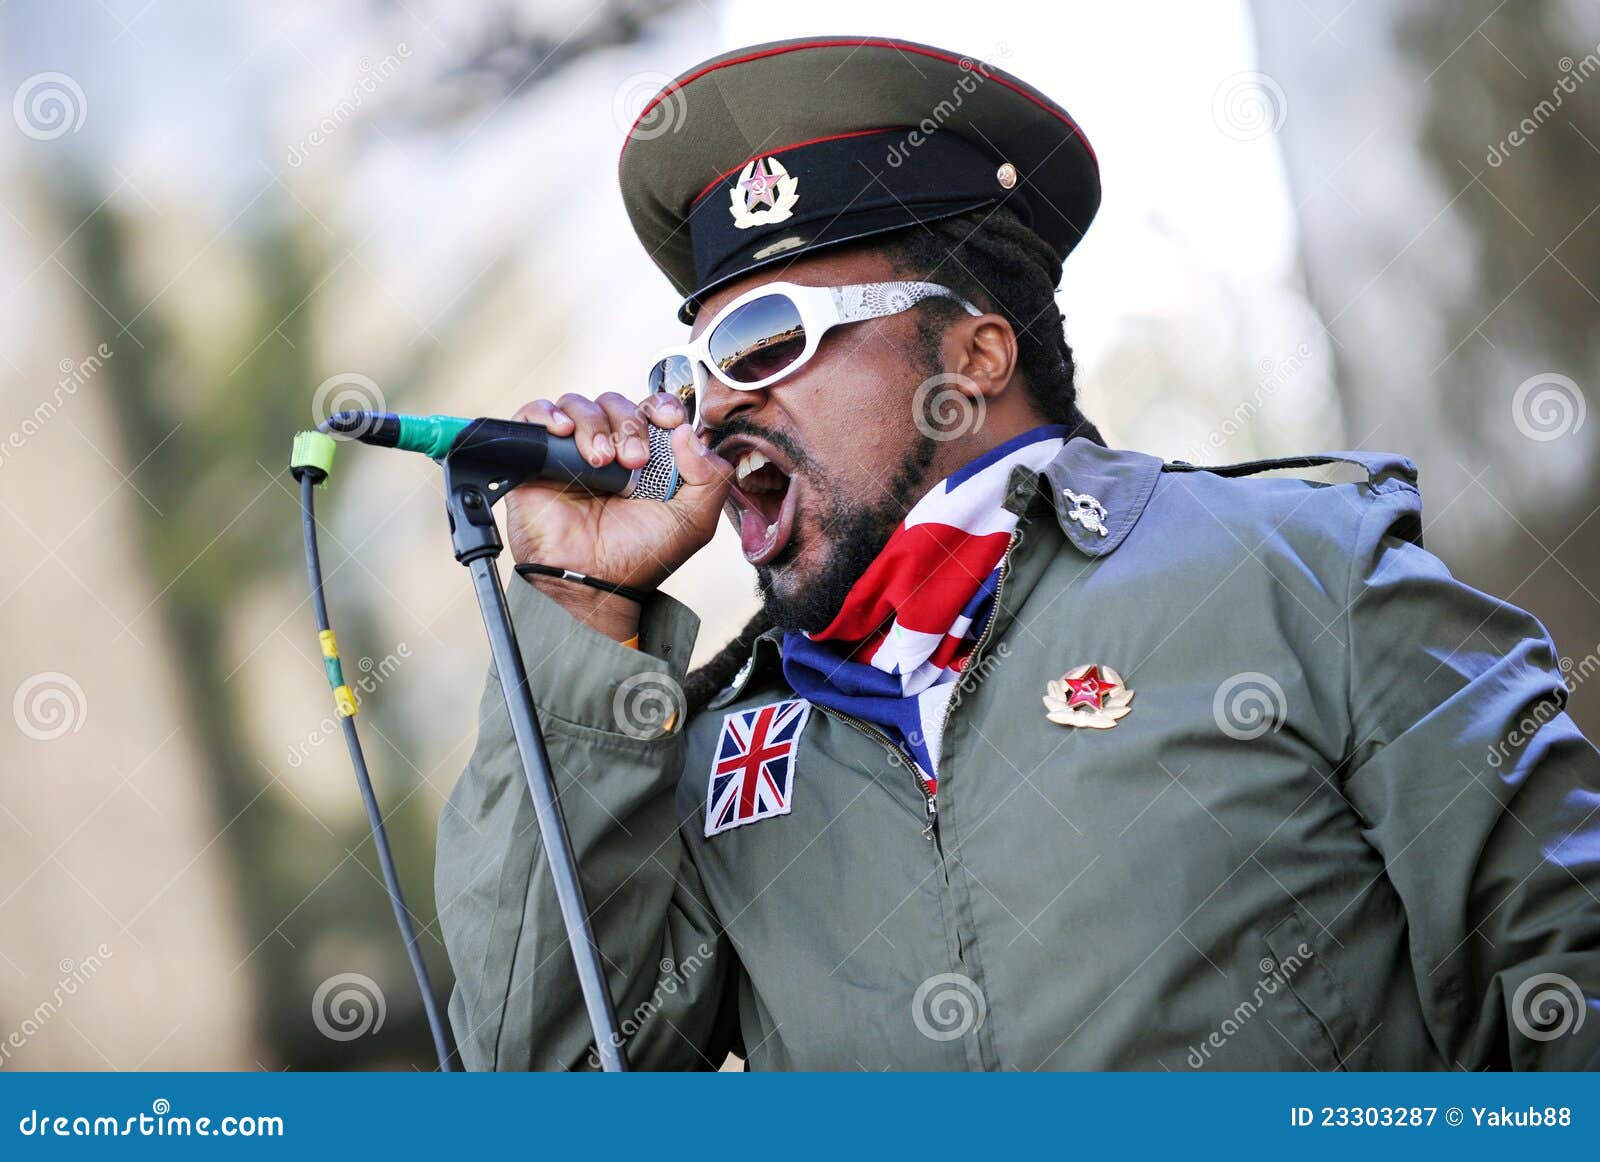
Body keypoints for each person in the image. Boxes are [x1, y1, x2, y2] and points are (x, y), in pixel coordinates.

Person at [435, 35, 1600, 1070]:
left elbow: (1565, 980)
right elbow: (542, 1083)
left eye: (762, 339)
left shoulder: (1304, 573)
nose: (713, 413)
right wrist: (578, 612)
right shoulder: (705, 753)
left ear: (974, 356)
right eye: (690, 373)